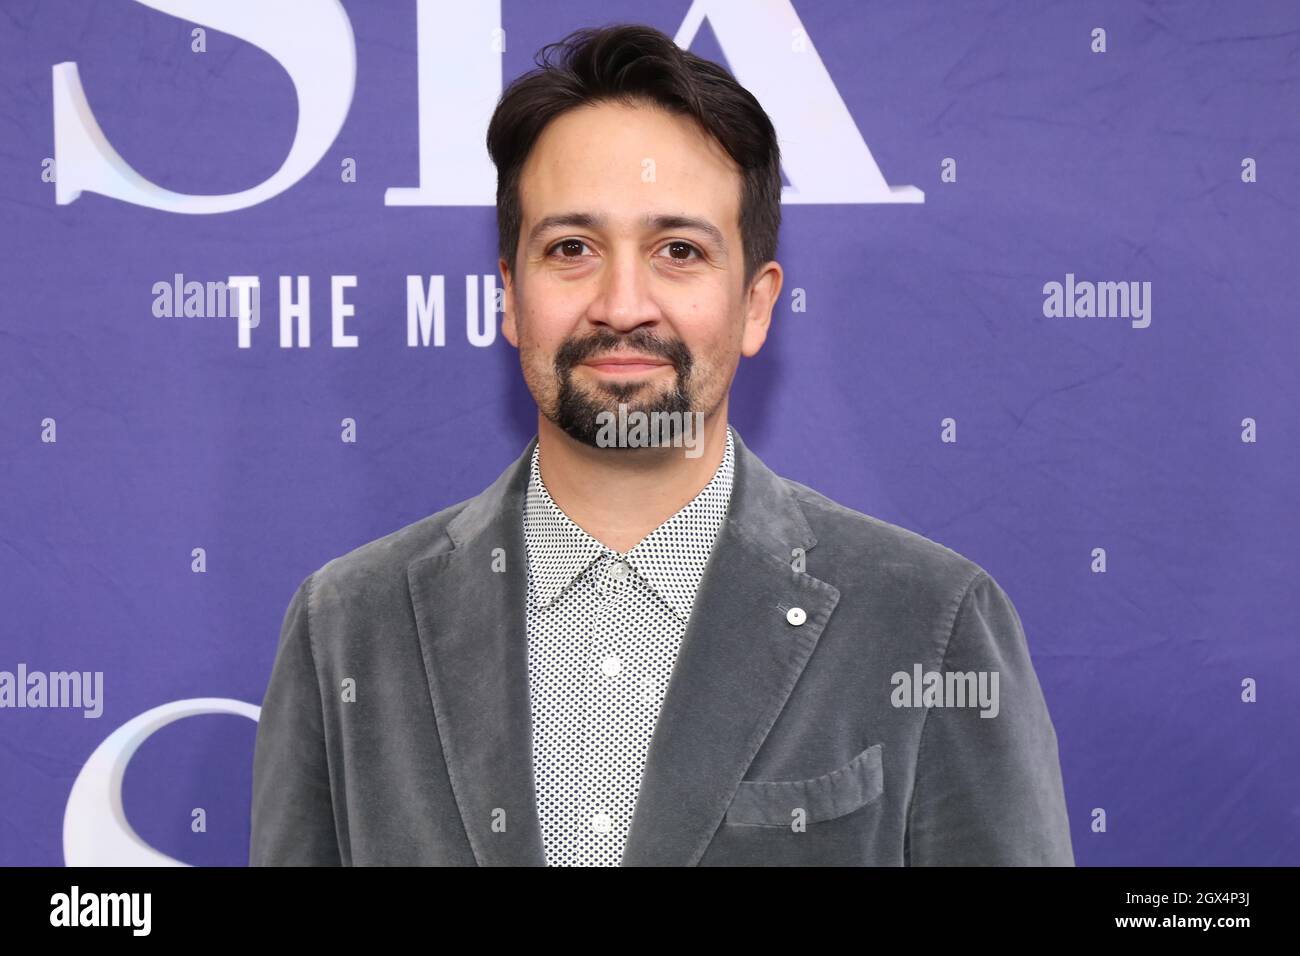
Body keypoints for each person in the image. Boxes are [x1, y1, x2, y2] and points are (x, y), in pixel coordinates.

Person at [249, 22, 1074, 866]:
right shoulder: (347, 627)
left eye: (678, 250)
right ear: (510, 294)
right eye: (572, 248)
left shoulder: (925, 619)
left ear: (755, 305)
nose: (622, 303)